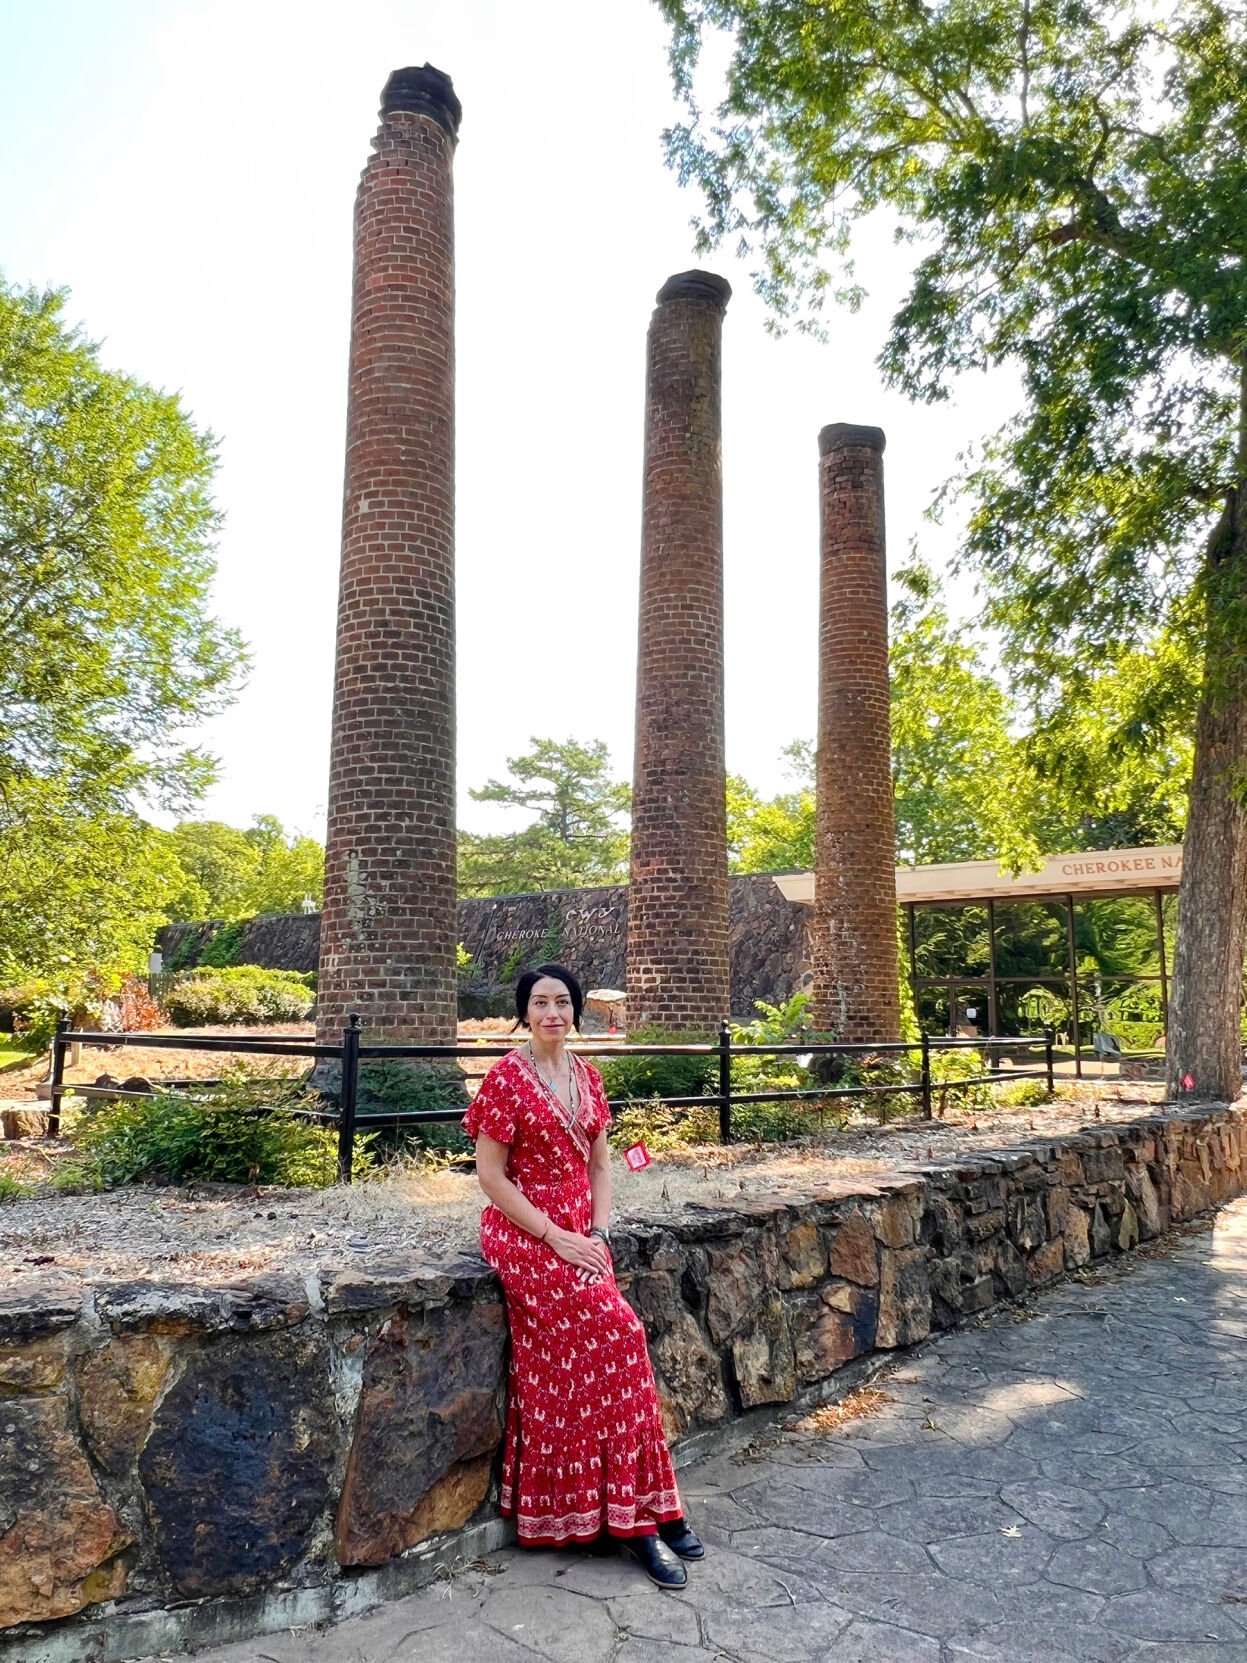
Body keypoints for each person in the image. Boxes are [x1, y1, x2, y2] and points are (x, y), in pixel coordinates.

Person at [463, 962, 703, 1589]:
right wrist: (555, 1236)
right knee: (621, 1338)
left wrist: (595, 1233)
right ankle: (640, 1524)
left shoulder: (588, 1078)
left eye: (562, 1002)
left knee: (590, 1367)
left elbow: (601, 1167)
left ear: (575, 1011)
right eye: (540, 1003)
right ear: (524, 1012)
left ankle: (648, 1507)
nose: (552, 1013)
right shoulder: (506, 1081)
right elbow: (490, 1177)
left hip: (581, 1235)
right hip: (526, 1232)